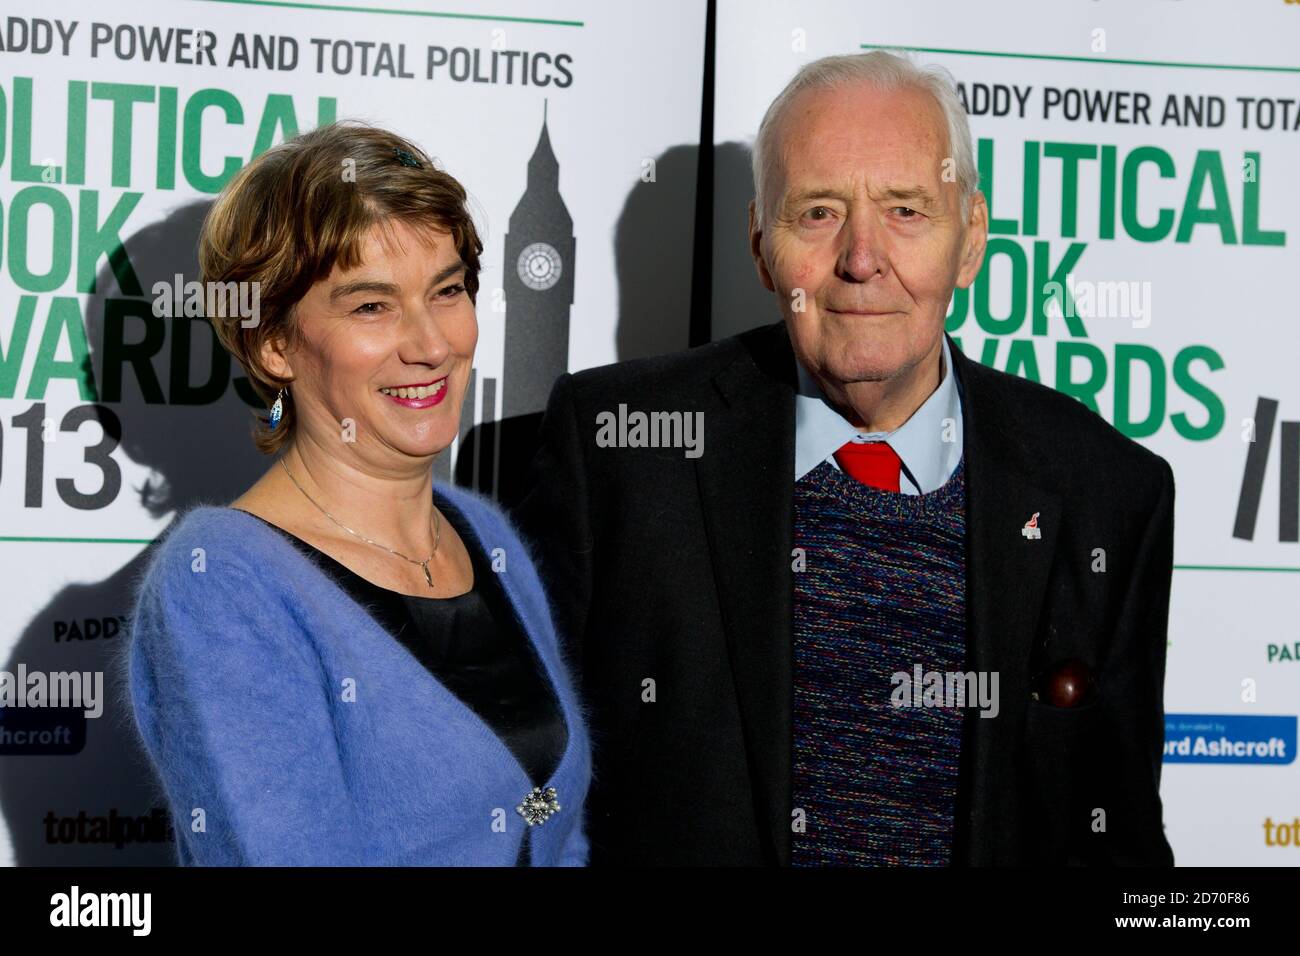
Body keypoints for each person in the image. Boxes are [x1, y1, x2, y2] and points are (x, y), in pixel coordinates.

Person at [513, 51, 1175, 865]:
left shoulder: (1105, 491)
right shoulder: (615, 448)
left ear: (970, 242)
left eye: (906, 211)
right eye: (819, 213)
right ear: (761, 246)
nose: (863, 260)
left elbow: (1120, 840)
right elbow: (529, 792)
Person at [127, 121, 591, 866]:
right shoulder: (219, 583)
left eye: (447, 290)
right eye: (371, 306)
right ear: (272, 344)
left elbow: (563, 837)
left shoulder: (487, 535)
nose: (432, 343)